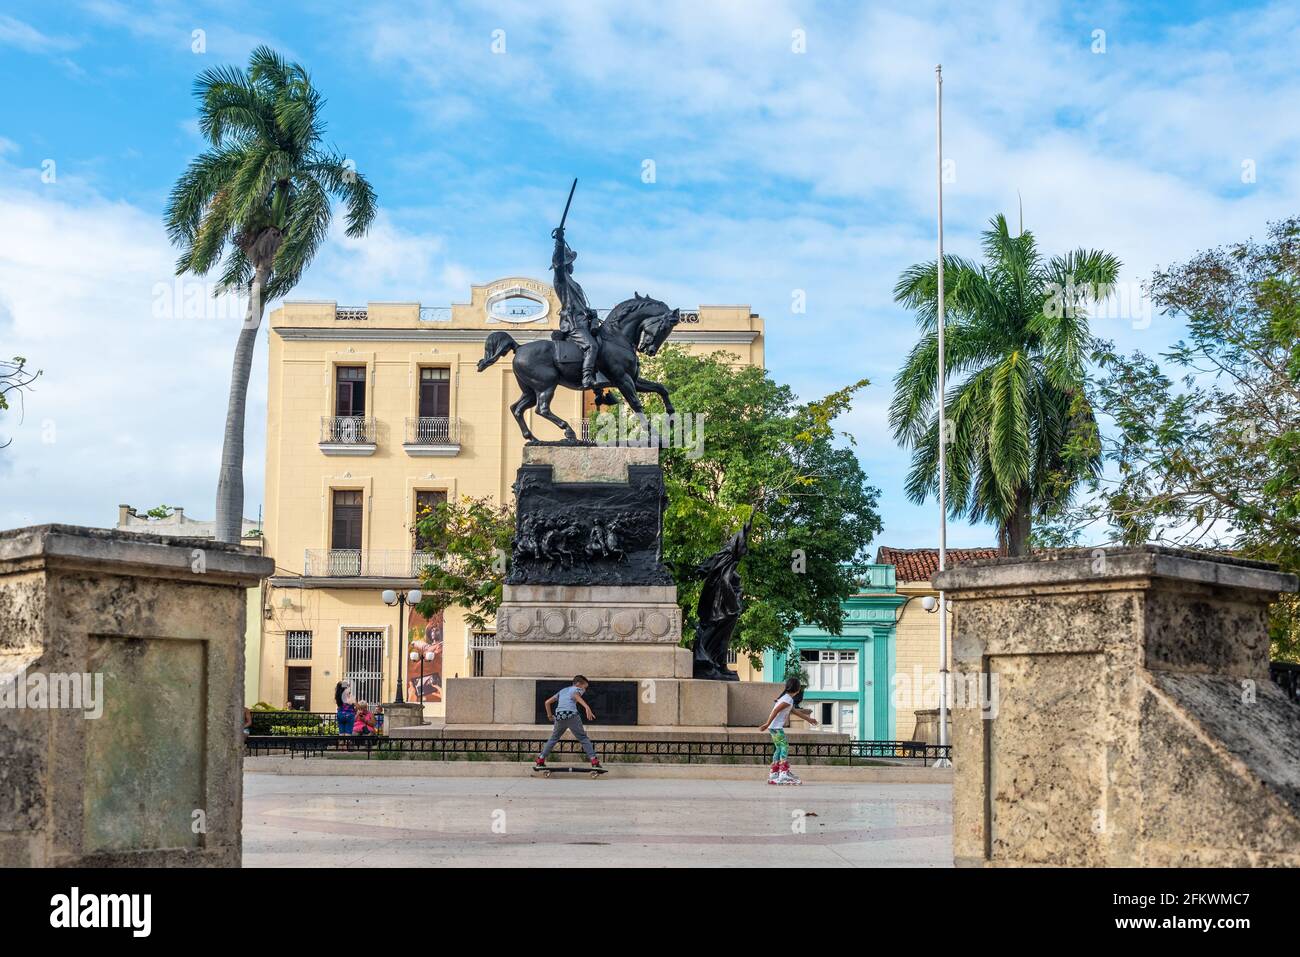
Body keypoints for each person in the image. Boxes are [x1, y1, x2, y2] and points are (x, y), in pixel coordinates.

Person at [535, 675, 601, 769]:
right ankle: (594, 761)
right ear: (578, 684)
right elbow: (575, 695)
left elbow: (547, 702)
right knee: (583, 738)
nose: (584, 690)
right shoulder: (576, 689)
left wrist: (549, 716)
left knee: (554, 738)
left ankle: (540, 759)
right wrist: (587, 707)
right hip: (571, 715)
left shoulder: (562, 691)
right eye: (584, 687)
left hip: (559, 716)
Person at [759, 677, 812, 785]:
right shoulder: (787, 699)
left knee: (779, 748)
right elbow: (775, 710)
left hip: (773, 727)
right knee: (784, 747)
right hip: (776, 727)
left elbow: (795, 712)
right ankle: (783, 773)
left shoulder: (786, 698)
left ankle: (774, 773)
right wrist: (767, 723)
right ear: (797, 689)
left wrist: (809, 719)